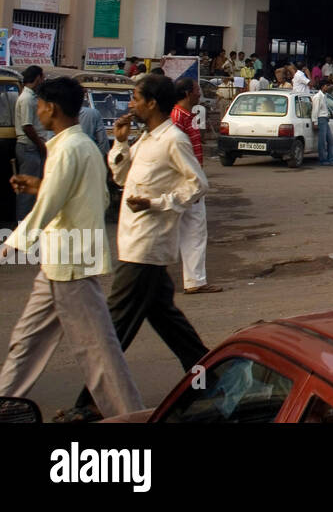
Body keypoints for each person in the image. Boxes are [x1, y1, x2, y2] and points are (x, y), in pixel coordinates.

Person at [65, 73, 209, 420]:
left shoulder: (174, 140)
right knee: (173, 327)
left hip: (148, 245)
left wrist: (158, 203)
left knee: (113, 328)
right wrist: (120, 144)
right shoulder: (145, 139)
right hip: (133, 242)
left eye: (135, 97)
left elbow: (198, 185)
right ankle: (214, 378)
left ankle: (88, 403)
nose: (131, 104)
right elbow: (120, 178)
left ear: (152, 103)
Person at [0, 77, 144, 419]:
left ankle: (130, 415)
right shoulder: (79, 146)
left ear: (52, 107)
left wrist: (12, 243)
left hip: (70, 261)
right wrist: (40, 187)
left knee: (97, 351)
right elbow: (85, 195)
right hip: (60, 260)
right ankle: (6, 397)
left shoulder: (67, 148)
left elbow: (52, 202)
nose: (37, 112)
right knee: (27, 339)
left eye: (39, 106)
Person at [172, 78, 221, 294]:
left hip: (191, 181)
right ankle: (194, 281)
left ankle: (195, 280)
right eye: (196, 90)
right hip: (186, 183)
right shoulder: (177, 118)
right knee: (191, 231)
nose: (199, 94)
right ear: (186, 93)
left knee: (193, 232)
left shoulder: (186, 116)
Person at [14, 65, 49, 221]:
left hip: (33, 148)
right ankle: (22, 225)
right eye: (42, 77)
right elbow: (27, 126)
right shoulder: (27, 98)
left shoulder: (32, 96)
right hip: (29, 147)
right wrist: (41, 146)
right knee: (27, 191)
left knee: (35, 188)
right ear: (37, 78)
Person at [312, 78, 333, 167]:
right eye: (327, 86)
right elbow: (315, 110)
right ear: (323, 86)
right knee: (322, 141)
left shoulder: (324, 96)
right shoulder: (317, 97)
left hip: (325, 119)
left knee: (331, 141)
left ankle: (332, 159)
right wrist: (315, 122)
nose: (328, 88)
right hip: (321, 119)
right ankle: (323, 160)